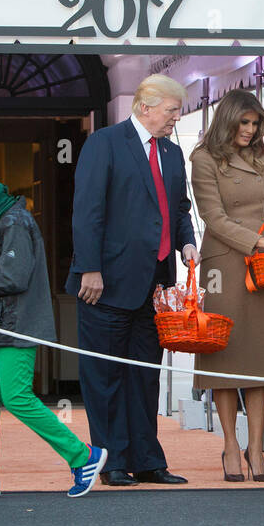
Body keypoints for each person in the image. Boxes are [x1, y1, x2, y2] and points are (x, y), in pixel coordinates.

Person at [0, 174, 108, 499]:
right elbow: (8, 275)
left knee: (16, 398)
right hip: (2, 326)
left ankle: (83, 456)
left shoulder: (14, 223)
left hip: (15, 326)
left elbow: (12, 278)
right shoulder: (9, 219)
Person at [67, 75, 196, 487]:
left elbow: (178, 208)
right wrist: (90, 267)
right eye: (171, 110)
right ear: (145, 106)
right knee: (105, 376)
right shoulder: (105, 143)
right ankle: (112, 461)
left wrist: (187, 242)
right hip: (104, 283)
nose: (177, 117)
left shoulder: (173, 154)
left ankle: (148, 459)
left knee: (144, 375)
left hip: (155, 285)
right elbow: (87, 209)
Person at [189, 90, 264, 482]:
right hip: (225, 266)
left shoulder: (261, 157)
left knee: (261, 358)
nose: (250, 130)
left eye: (255, 124)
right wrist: (259, 240)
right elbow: (213, 218)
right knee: (225, 356)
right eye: (244, 123)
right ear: (228, 119)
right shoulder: (203, 158)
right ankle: (230, 445)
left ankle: (256, 448)